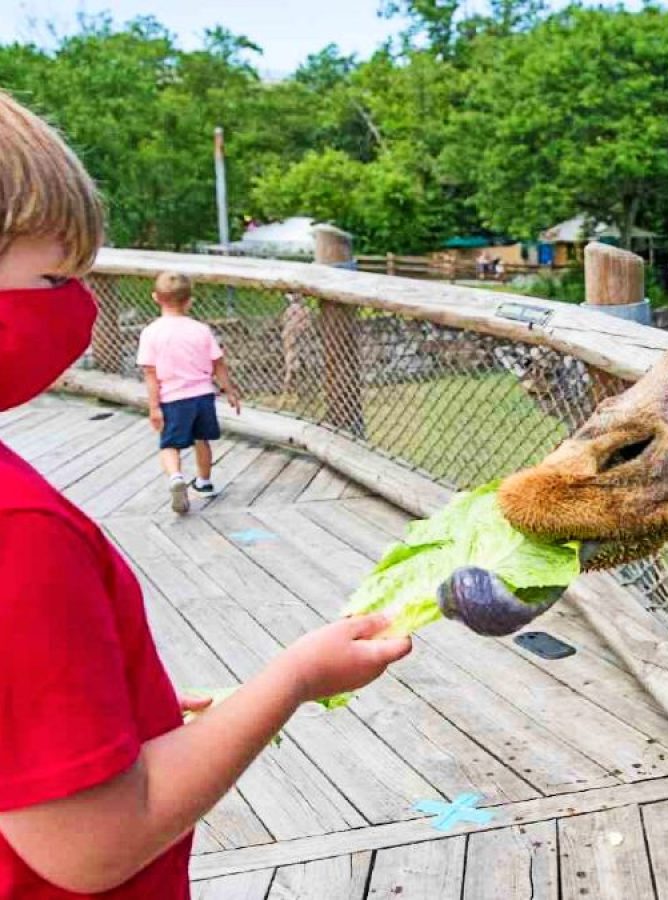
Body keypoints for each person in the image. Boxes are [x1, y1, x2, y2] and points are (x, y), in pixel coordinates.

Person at [0, 91, 412, 898]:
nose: (76, 308)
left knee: (177, 442)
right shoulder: (19, 532)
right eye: (54, 278)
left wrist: (123, 706)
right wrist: (292, 679)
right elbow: (90, 847)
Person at [136, 271, 240, 514]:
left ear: (155, 297)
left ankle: (175, 478)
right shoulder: (201, 329)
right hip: (203, 396)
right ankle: (204, 482)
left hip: (173, 398)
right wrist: (230, 390)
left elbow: (150, 373)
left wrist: (154, 407)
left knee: (169, 444)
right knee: (200, 439)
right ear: (190, 301)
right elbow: (218, 364)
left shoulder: (151, 333)